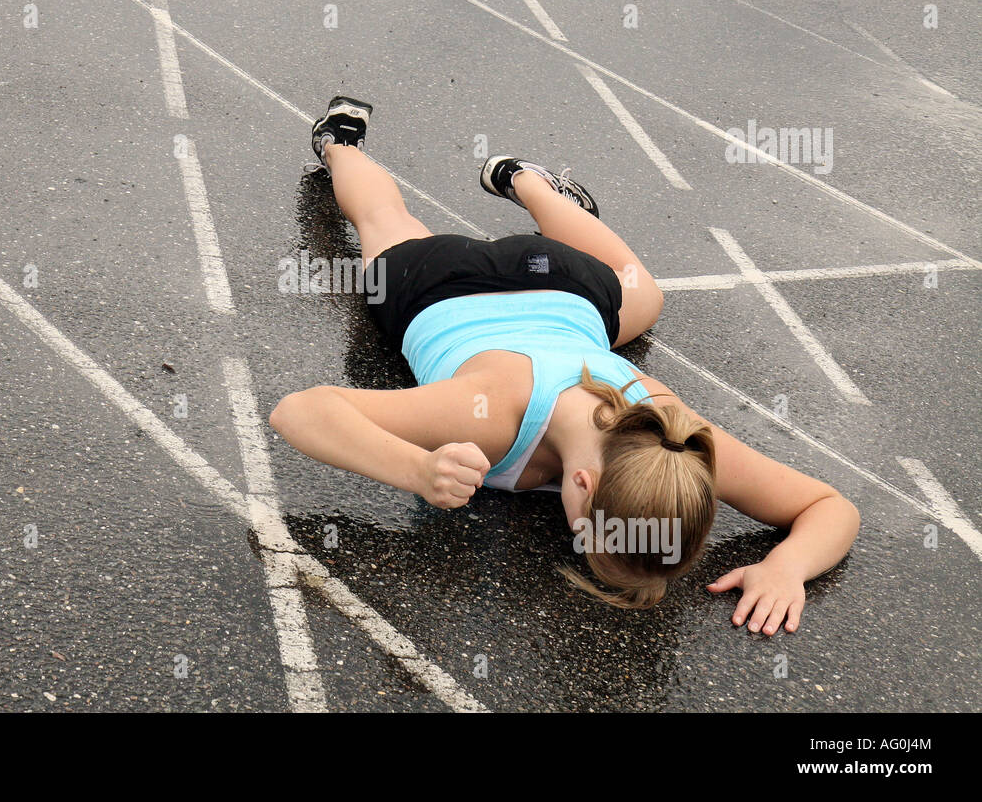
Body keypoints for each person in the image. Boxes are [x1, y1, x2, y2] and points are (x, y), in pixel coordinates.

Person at [269, 97, 860, 633]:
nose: (578, 539)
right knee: (382, 223)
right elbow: (300, 412)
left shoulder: (676, 440)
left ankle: (528, 182)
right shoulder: (490, 417)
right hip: (439, 286)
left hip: (561, 281)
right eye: (584, 536)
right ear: (581, 486)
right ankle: (340, 145)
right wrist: (416, 470)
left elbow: (831, 508)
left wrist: (786, 568)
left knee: (643, 294)